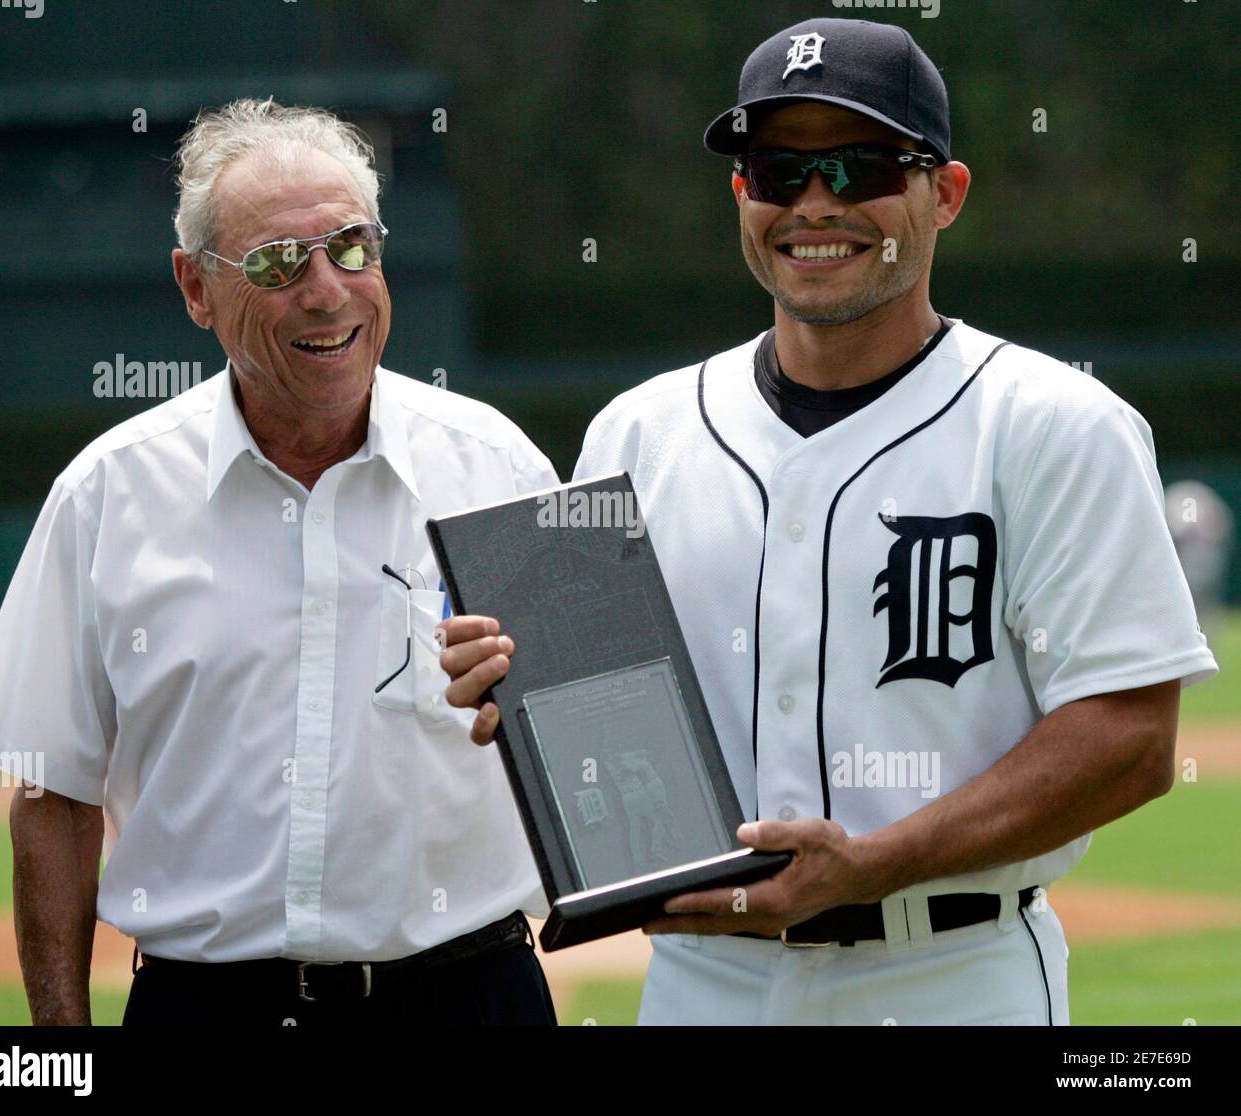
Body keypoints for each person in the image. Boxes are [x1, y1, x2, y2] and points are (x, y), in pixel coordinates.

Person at [438, 18, 1217, 1025]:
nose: (814, 203)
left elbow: (1131, 740)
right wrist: (513, 693)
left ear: (945, 193)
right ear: (740, 194)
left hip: (952, 972)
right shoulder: (639, 430)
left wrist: (874, 864)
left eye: (860, 168)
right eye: (778, 169)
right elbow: (591, 726)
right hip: (697, 984)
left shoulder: (1054, 426)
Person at [0, 99, 559, 1026]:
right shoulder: (107, 495)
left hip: (467, 997)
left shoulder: (500, 470)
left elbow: (593, 734)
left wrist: (540, 700)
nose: (326, 290)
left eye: (352, 247)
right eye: (278, 263)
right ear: (195, 288)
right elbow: (53, 799)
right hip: (203, 1008)